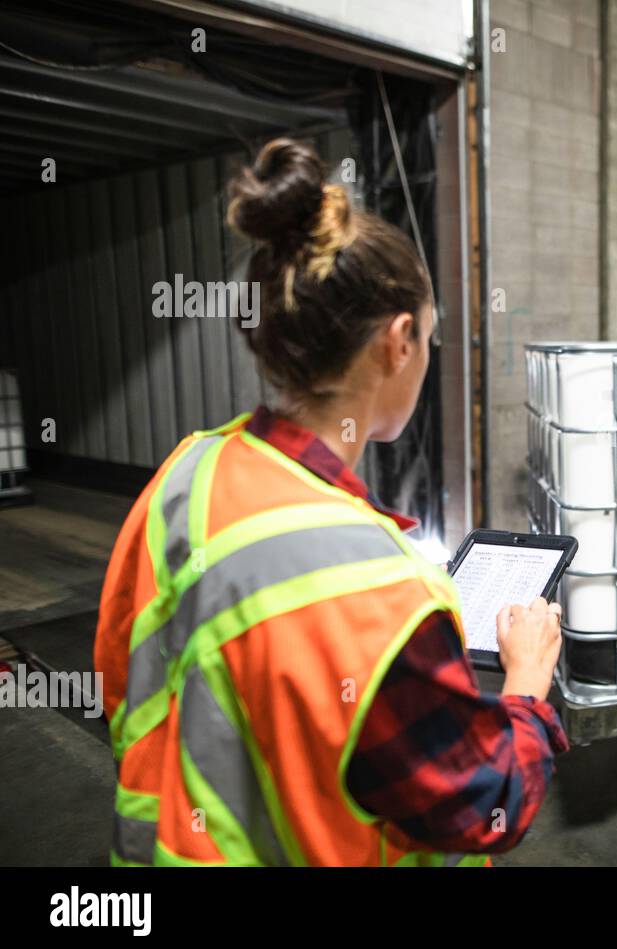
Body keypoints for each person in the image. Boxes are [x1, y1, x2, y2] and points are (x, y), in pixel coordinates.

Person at [94, 138, 569, 866]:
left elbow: (126, 680)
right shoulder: (374, 590)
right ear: (398, 341)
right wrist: (528, 680)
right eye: (430, 337)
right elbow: (483, 805)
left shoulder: (185, 476)